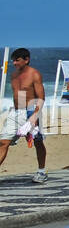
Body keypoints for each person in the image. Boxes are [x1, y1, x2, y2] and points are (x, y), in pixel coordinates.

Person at [0, 49, 49, 183]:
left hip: (32, 110)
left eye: (17, 60)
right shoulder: (14, 75)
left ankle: (41, 172)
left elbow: (41, 97)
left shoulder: (34, 74)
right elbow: (18, 94)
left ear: (26, 60)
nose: (14, 63)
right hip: (16, 112)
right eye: (13, 60)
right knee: (3, 142)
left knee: (38, 142)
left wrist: (34, 116)